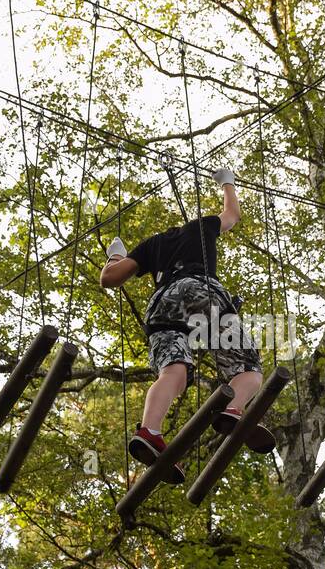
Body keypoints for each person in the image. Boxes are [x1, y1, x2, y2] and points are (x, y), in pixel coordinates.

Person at [100, 167, 274, 483]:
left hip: (163, 301)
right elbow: (232, 215)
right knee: (248, 369)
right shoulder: (202, 226)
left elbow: (109, 279)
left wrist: (116, 255)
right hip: (201, 291)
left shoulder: (152, 245)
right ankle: (233, 409)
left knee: (174, 372)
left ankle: (149, 430)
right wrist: (227, 182)